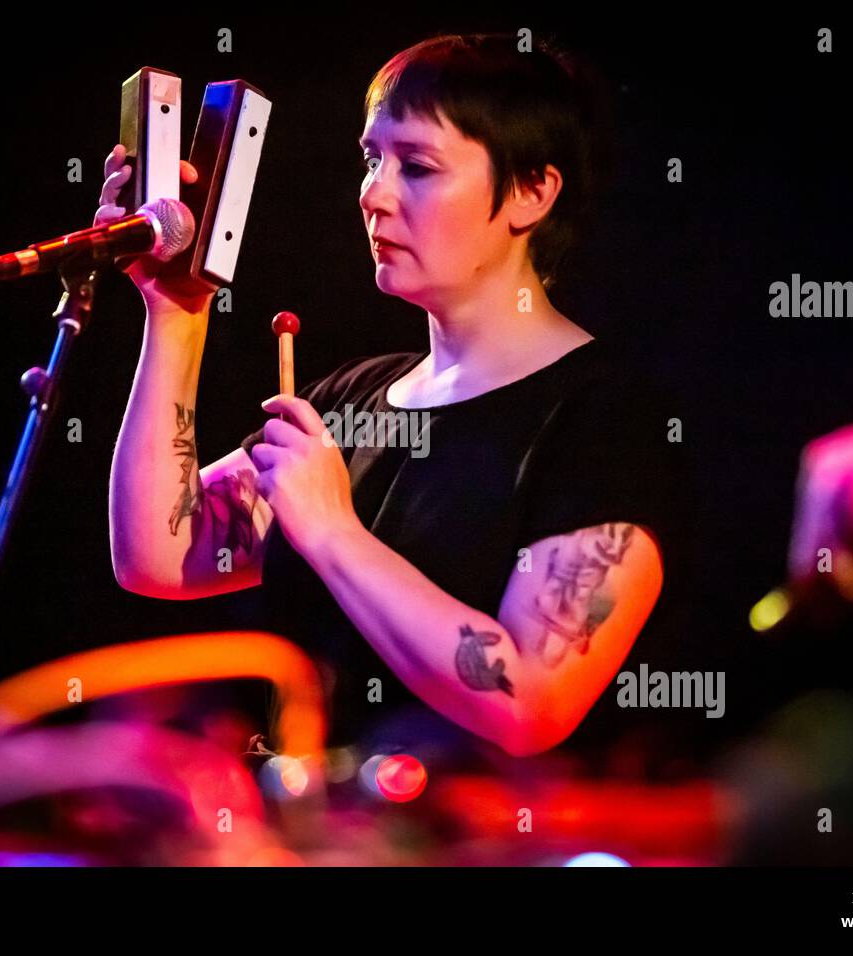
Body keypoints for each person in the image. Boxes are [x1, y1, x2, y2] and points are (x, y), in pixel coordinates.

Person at [101, 33, 682, 761]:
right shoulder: (354, 397)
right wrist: (176, 310)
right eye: (373, 158)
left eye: (417, 165)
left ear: (532, 191)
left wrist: (334, 531)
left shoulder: (602, 419)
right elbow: (160, 552)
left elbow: (533, 701)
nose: (372, 194)